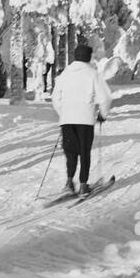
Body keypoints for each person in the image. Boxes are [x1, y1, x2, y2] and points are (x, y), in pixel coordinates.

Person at [50, 42, 112, 195]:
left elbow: (55, 98)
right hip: (85, 120)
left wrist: (63, 112)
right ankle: (83, 184)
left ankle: (69, 182)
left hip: (67, 119)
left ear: (75, 57)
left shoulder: (65, 74)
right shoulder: (92, 74)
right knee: (84, 152)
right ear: (89, 57)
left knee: (70, 152)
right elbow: (105, 98)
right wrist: (102, 115)